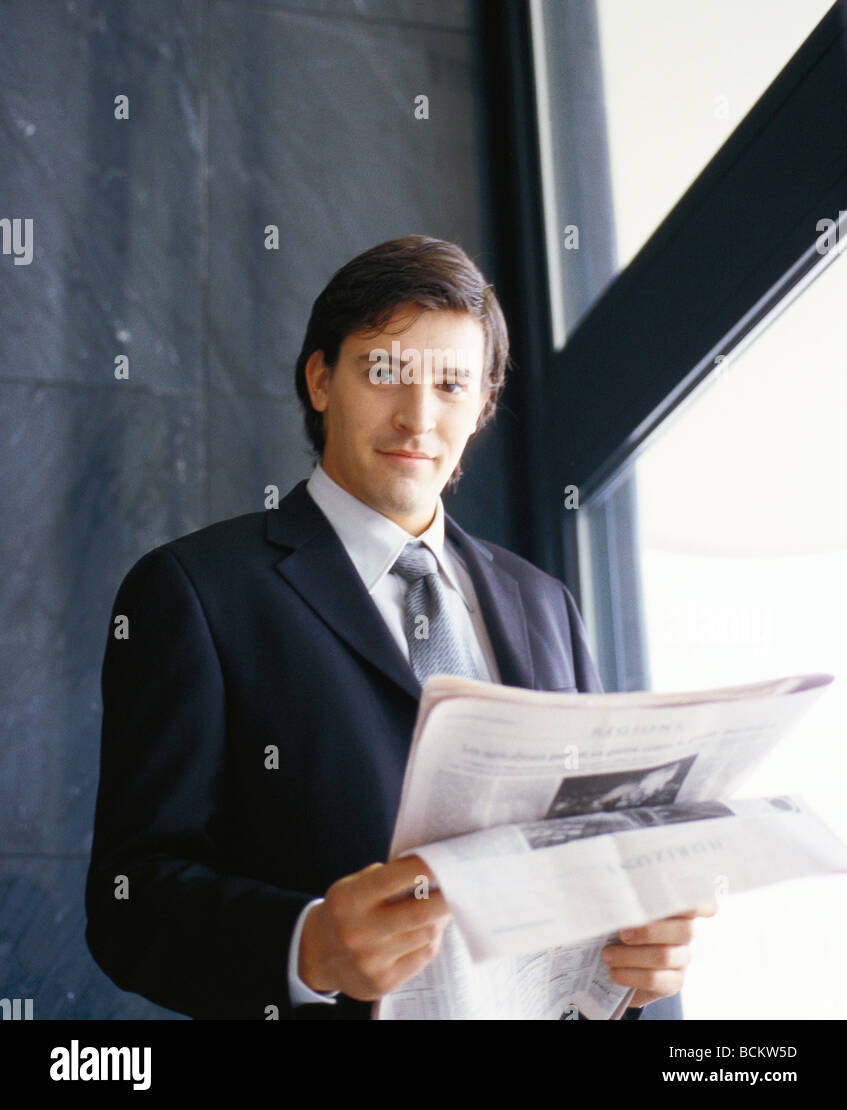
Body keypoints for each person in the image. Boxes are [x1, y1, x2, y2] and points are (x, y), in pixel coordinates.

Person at [85, 235, 715, 1020]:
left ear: (482, 406)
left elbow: (589, 859)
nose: (418, 416)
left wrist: (636, 963)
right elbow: (129, 902)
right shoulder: (194, 591)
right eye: (385, 372)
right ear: (321, 381)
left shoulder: (544, 601)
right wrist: (307, 946)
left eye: (451, 384)